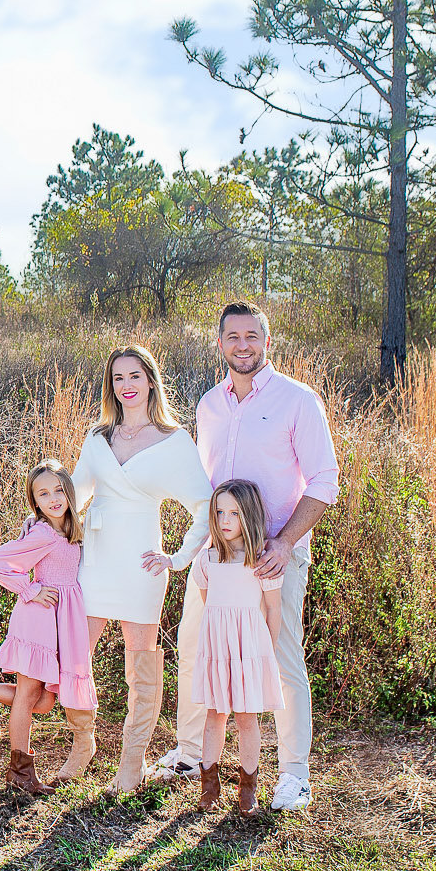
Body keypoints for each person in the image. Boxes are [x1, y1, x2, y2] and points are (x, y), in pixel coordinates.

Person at [151, 302, 338, 813]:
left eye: (252, 336)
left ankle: (294, 774)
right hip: (215, 557)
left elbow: (324, 481)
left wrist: (283, 542)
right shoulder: (209, 405)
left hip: (272, 559)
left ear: (266, 342)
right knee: (195, 647)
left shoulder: (298, 401)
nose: (243, 345)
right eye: (232, 336)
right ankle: (191, 754)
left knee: (280, 658)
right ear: (220, 345)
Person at [67, 344, 213, 793]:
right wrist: (38, 524)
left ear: (151, 380)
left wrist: (178, 557)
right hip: (95, 560)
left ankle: (133, 762)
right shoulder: (98, 437)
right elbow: (73, 496)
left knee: (140, 663)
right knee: (77, 658)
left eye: (134, 376)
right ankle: (83, 744)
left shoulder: (175, 441)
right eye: (117, 378)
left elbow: (206, 506)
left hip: (142, 564)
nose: (126, 386)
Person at [0, 459, 96, 797]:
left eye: (57, 490)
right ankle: (20, 773)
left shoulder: (71, 528)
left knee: (44, 702)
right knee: (28, 697)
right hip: (39, 618)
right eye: (43, 494)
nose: (53, 499)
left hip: (60, 623)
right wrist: (30, 589)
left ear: (69, 491)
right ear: (34, 501)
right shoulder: (42, 532)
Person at [185, 481, 285, 816]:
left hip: (249, 652)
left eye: (234, 513)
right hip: (218, 650)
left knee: (246, 717)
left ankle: (248, 789)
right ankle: (209, 787)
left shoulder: (261, 562)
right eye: (219, 512)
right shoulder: (207, 561)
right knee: (214, 715)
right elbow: (211, 608)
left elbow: (272, 609)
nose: (225, 519)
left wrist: (266, 652)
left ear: (250, 515)